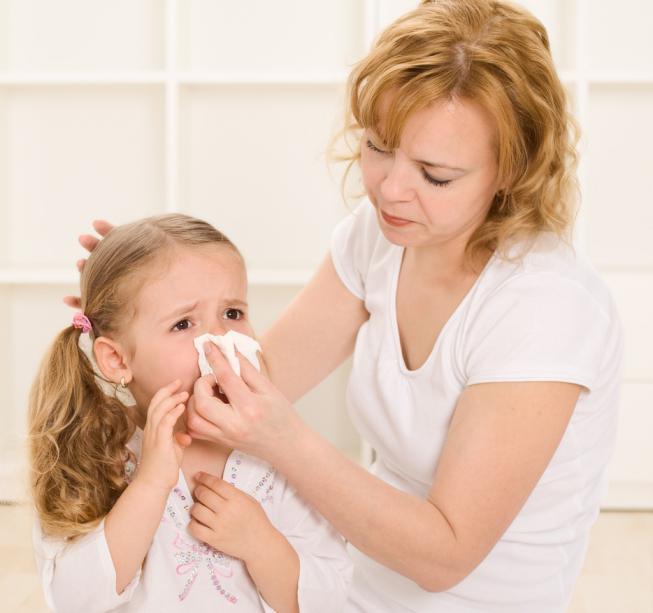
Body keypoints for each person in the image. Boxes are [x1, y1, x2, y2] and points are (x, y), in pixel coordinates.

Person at [70, 1, 623, 611]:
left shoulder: (544, 308)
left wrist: (284, 440)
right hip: (353, 569)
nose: (389, 188)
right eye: (379, 146)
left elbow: (445, 557)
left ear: (513, 172)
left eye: (435, 175)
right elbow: (242, 387)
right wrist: (143, 305)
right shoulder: (382, 235)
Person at [30, 214, 351, 612]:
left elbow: (333, 596)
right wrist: (149, 485)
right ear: (115, 358)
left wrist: (262, 545)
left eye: (232, 313)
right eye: (183, 323)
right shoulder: (95, 455)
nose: (220, 337)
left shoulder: (274, 456)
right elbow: (75, 600)